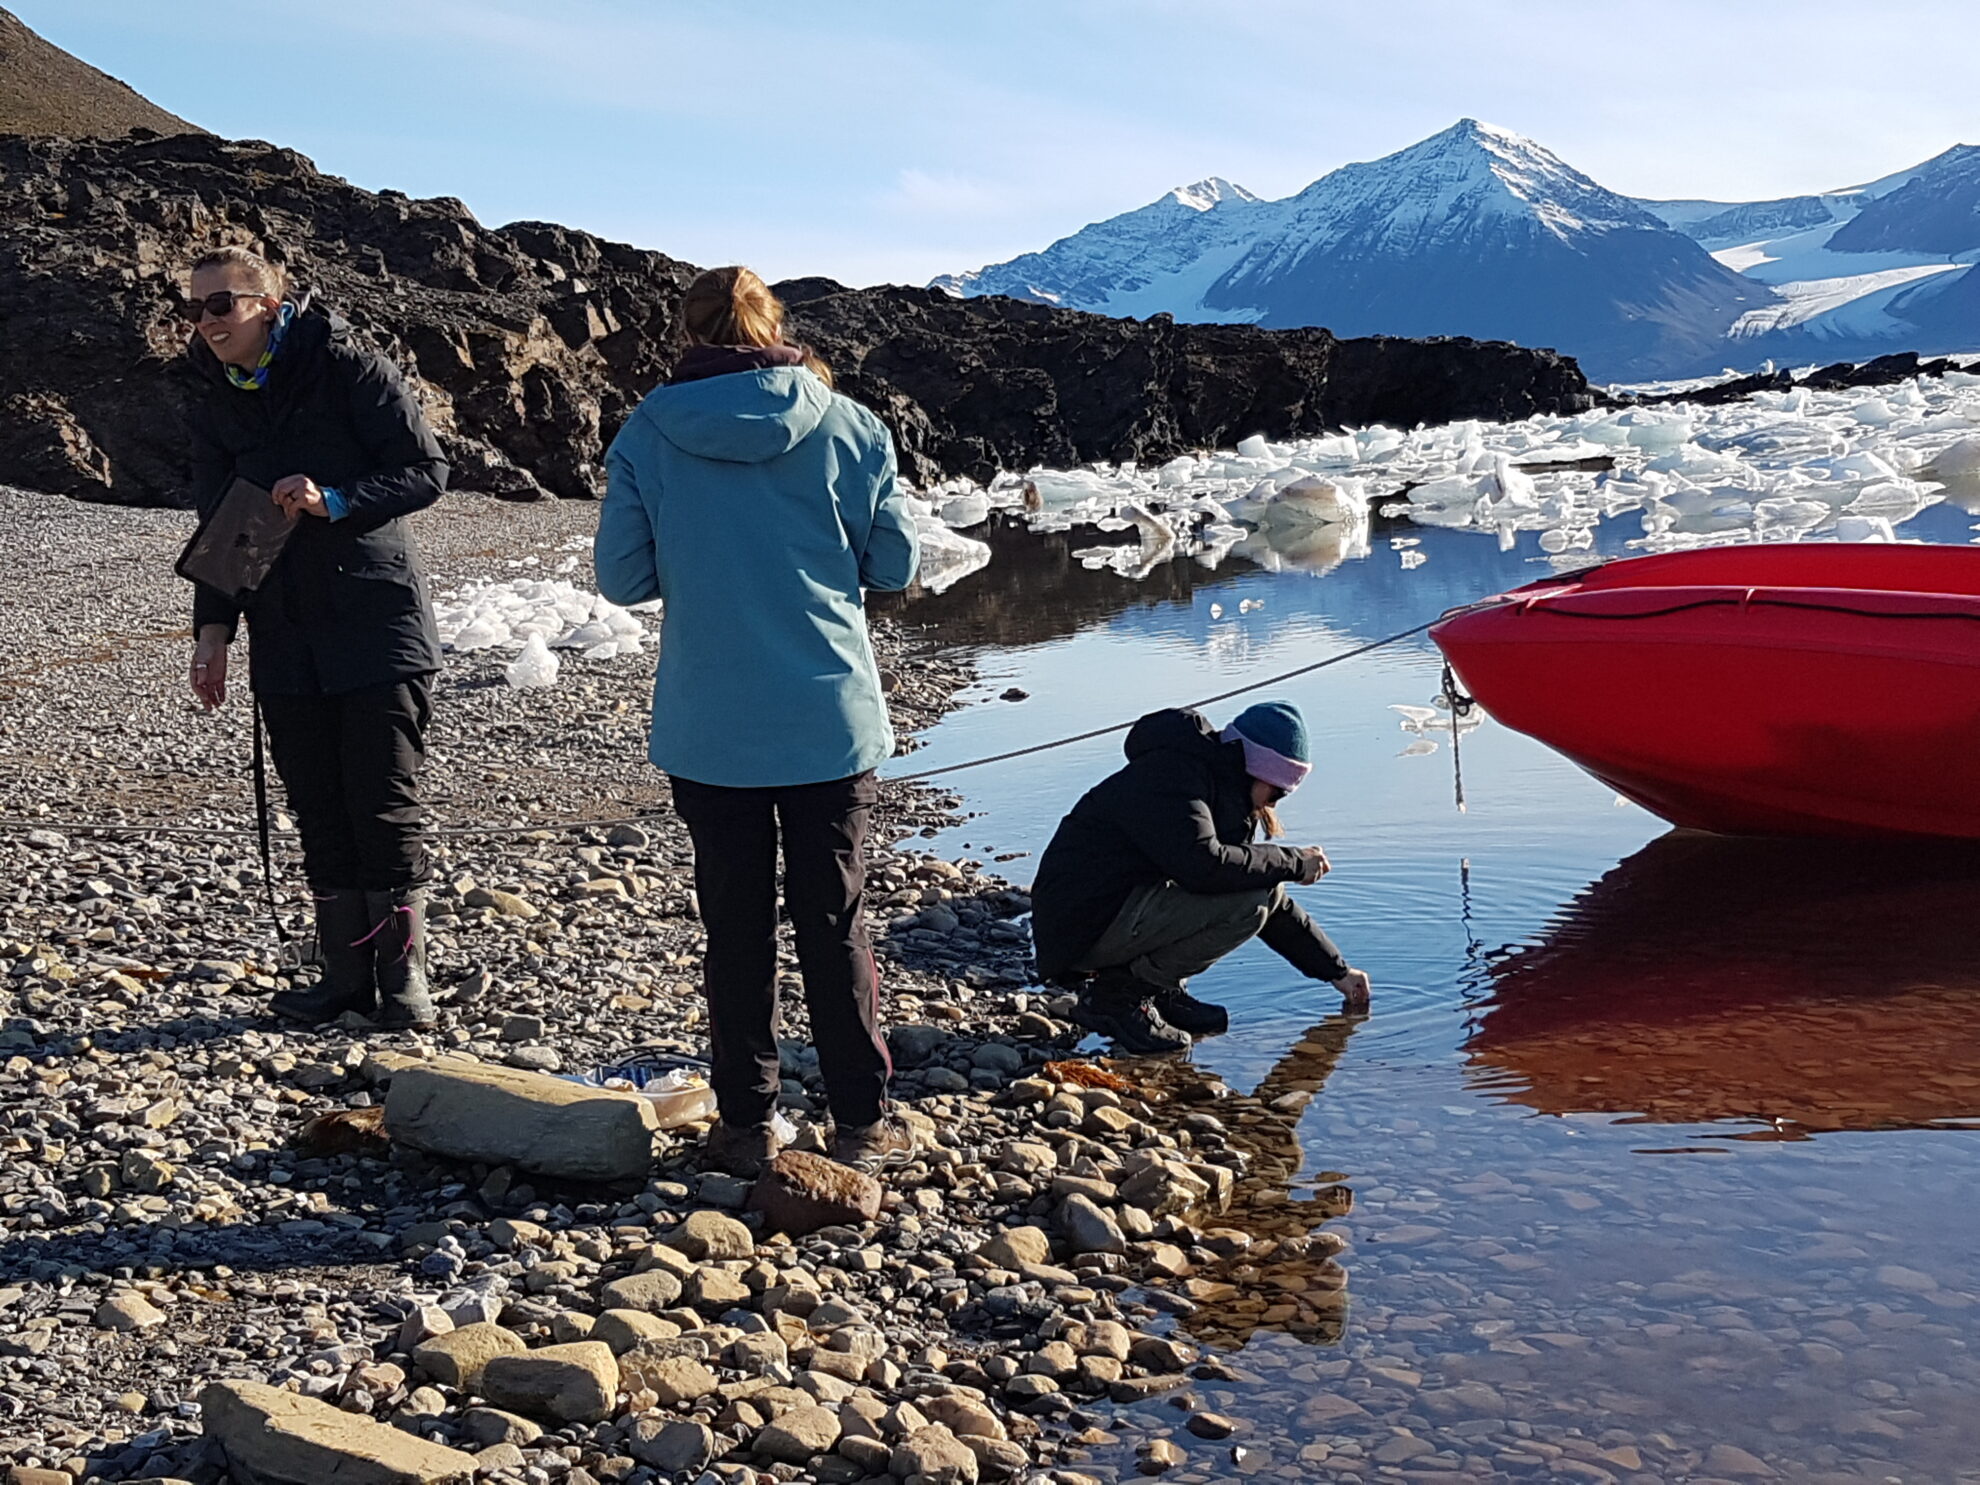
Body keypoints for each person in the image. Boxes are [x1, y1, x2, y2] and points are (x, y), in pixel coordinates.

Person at [594, 265, 920, 1175]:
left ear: (688, 334)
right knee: (835, 920)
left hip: (711, 723)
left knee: (735, 927)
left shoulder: (649, 432)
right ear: (775, 323)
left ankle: (745, 1124)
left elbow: (622, 579)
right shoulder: (851, 425)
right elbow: (893, 562)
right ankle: (858, 1119)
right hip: (829, 716)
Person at [179, 246, 447, 1029]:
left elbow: (425, 470)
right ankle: (342, 979)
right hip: (284, 629)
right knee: (318, 807)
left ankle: (404, 983)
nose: (206, 320)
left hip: (377, 621)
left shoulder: (345, 363)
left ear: (267, 303)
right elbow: (220, 523)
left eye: (221, 304)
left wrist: (334, 498)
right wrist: (213, 630)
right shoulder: (211, 392)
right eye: (196, 307)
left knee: (383, 804)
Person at [1030, 700, 1372, 1054]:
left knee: (1254, 895)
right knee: (1247, 906)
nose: (1275, 803)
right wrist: (1295, 861)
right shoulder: (1174, 777)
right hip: (1079, 927)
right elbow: (1204, 867)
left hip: (1109, 911)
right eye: (1278, 791)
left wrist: (1338, 972)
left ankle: (1159, 991)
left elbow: (1267, 894)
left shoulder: (1220, 789)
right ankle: (1119, 997)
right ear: (1254, 767)